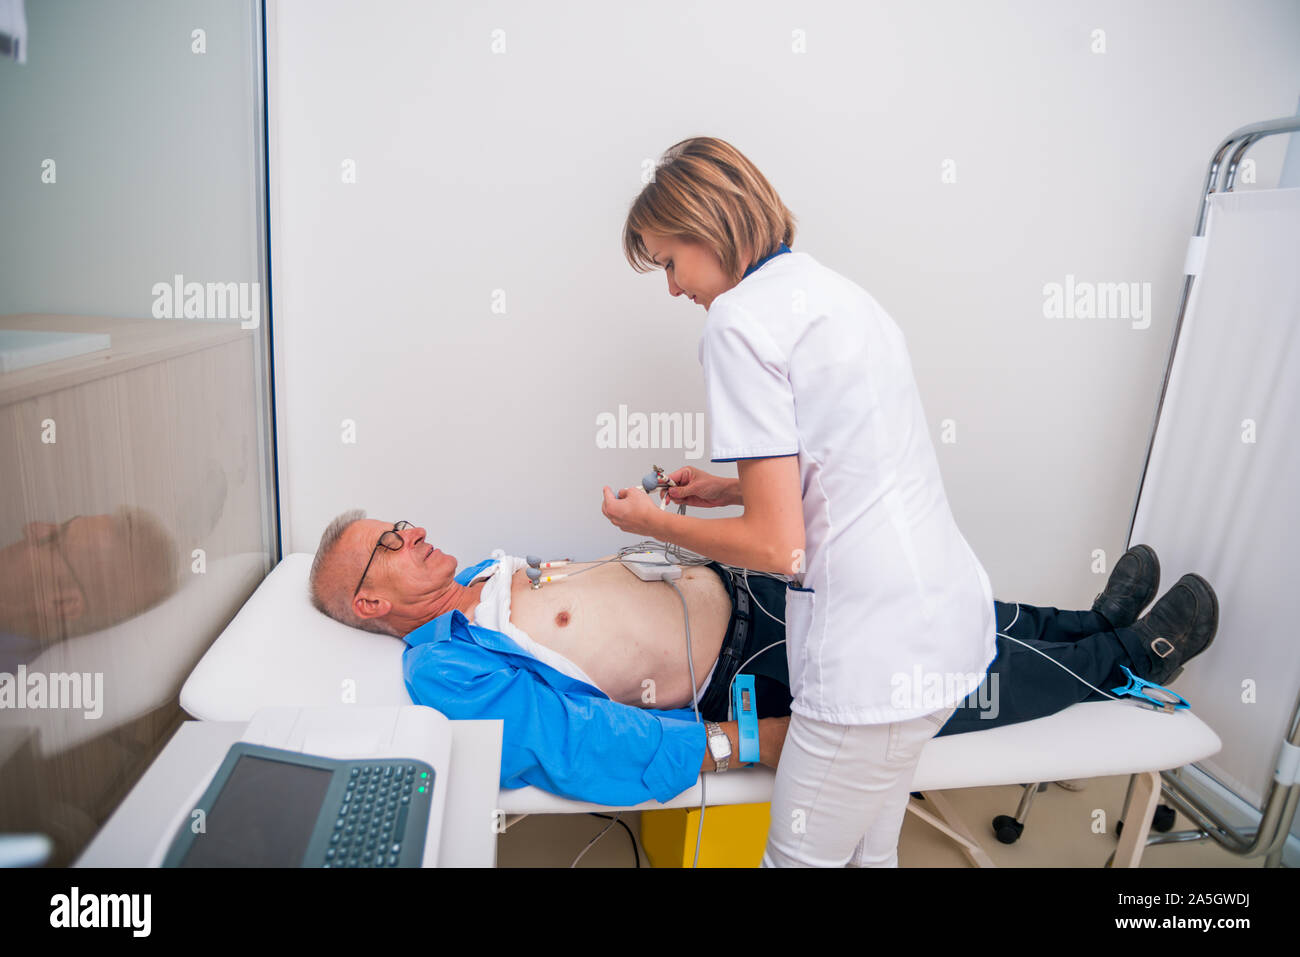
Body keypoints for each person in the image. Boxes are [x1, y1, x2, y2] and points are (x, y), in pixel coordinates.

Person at [602, 136, 1014, 865]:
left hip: (873, 657)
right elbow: (850, 460)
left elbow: (776, 548)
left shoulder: (735, 323)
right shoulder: (831, 292)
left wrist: (651, 521)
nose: (672, 288)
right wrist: (725, 486)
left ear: (706, 227)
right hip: (945, 623)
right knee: (870, 855)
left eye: (669, 262)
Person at [308, 513, 1219, 810]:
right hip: (752, 676)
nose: (414, 529)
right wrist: (751, 740)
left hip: (753, 592)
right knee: (938, 675)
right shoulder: (443, 670)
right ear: (372, 602)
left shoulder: (479, 577)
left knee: (927, 607)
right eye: (390, 540)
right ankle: (1133, 657)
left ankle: (1086, 620)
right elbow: (575, 741)